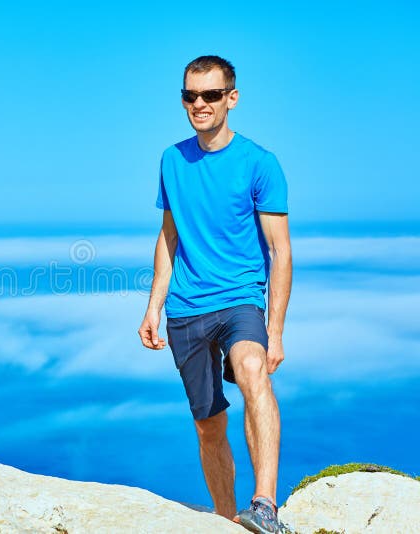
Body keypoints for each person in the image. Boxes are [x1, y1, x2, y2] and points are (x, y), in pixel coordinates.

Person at [138, 55, 292, 534]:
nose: (198, 104)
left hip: (241, 298)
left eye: (209, 95)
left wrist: (276, 331)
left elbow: (280, 251)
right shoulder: (171, 159)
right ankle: (229, 521)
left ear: (232, 97)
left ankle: (264, 504)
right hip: (186, 307)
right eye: (190, 95)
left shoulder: (259, 163)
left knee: (251, 372)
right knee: (208, 424)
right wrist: (153, 305)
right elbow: (169, 236)